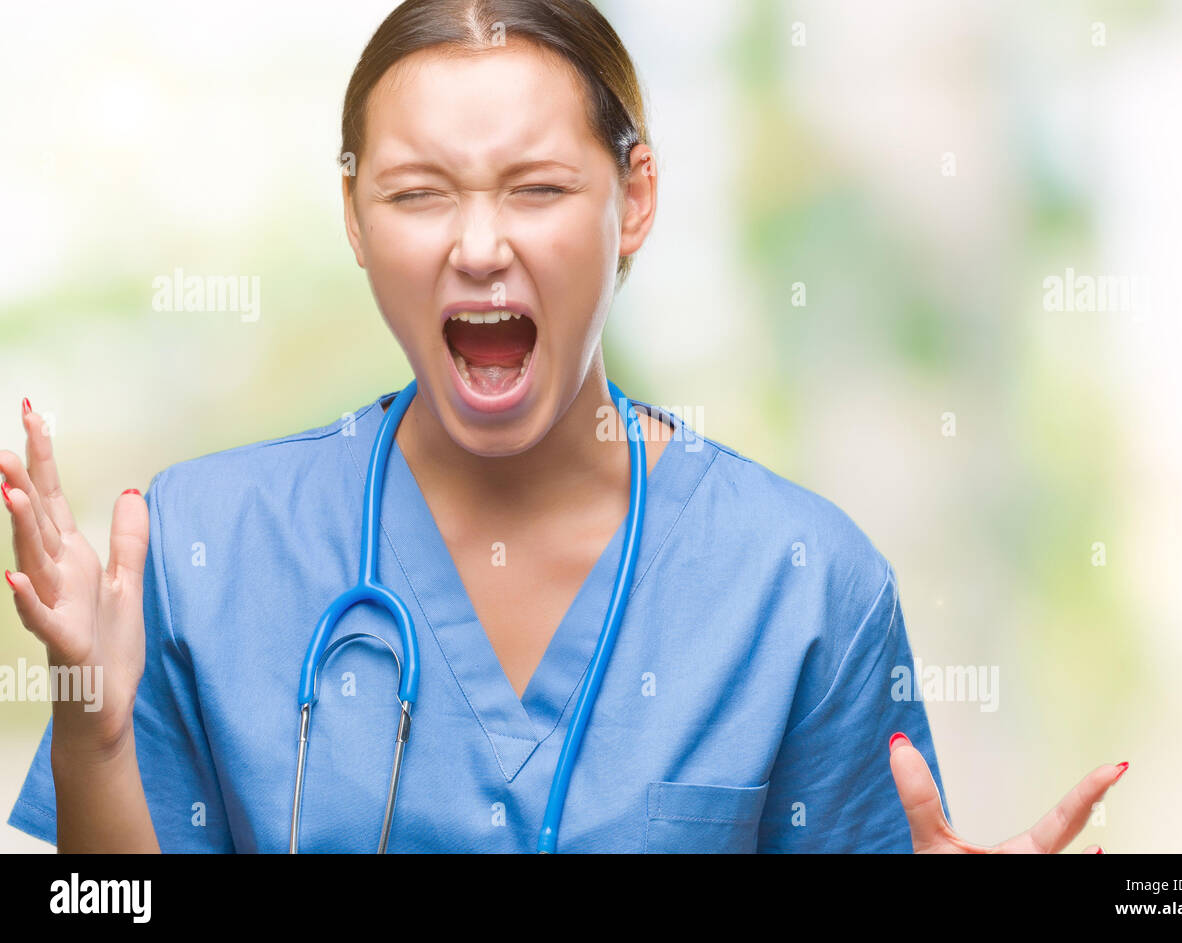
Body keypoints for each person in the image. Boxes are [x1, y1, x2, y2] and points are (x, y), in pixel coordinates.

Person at [2, 0, 1124, 853]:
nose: (479, 245)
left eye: (535, 189)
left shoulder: (803, 582)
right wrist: (96, 734)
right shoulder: (205, 547)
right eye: (418, 192)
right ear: (351, 214)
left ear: (632, 199)